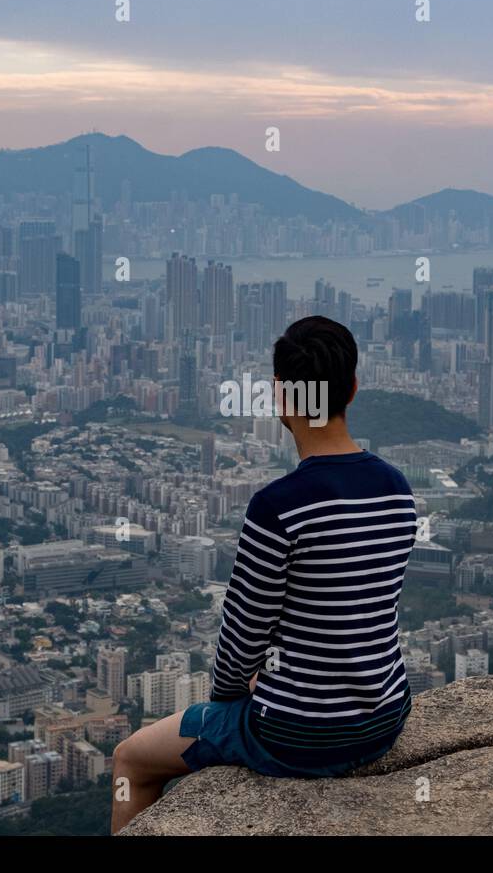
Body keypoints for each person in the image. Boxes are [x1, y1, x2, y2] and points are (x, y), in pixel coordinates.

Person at [111, 315, 415, 833]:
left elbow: (242, 635)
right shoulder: (397, 489)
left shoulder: (277, 507)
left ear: (281, 396)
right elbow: (359, 615)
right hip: (385, 719)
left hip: (296, 736)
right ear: (354, 388)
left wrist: (232, 700)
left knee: (129, 761)